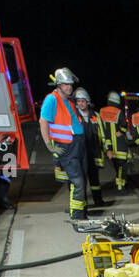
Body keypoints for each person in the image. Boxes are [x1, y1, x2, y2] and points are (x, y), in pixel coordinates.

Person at [39, 67, 87, 221]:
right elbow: (43, 121)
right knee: (77, 181)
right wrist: (49, 145)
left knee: (80, 180)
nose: (69, 87)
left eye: (70, 84)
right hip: (66, 146)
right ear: (58, 85)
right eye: (66, 84)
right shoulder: (51, 99)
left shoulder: (68, 101)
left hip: (77, 144)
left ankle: (81, 211)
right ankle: (77, 215)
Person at [72, 88, 106, 207]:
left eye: (83, 101)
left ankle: (98, 200)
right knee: (81, 179)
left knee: (94, 178)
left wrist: (107, 148)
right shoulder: (74, 115)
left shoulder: (95, 116)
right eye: (78, 101)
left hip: (93, 151)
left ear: (88, 102)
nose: (80, 104)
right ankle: (83, 204)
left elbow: (102, 133)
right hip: (80, 152)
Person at [99, 91, 131, 192]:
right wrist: (122, 131)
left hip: (107, 144)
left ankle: (119, 186)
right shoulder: (118, 112)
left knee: (116, 166)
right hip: (119, 144)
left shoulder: (101, 111)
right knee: (122, 166)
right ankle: (121, 187)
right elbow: (124, 126)